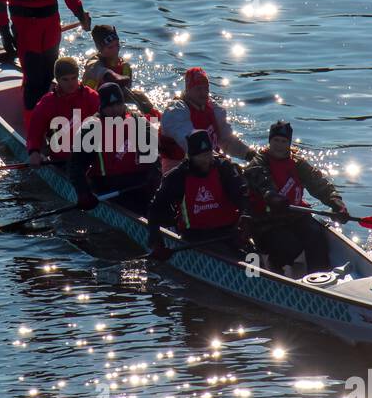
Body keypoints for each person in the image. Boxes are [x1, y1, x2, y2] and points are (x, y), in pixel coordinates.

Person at [244, 120, 350, 275]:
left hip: (294, 216)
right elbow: (264, 185)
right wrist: (273, 198)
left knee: (316, 236)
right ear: (270, 141)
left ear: (289, 143)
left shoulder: (298, 163)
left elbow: (320, 185)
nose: (279, 145)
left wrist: (336, 203)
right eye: (276, 140)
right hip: (266, 221)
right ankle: (275, 268)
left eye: (284, 141)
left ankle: (320, 277)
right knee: (289, 246)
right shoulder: (258, 163)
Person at [147, 130, 254, 261]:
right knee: (228, 254)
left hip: (228, 231)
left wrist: (246, 215)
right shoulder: (177, 177)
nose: (206, 160)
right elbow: (155, 209)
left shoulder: (224, 169)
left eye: (208, 154)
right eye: (201, 156)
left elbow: (242, 195)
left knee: (254, 253)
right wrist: (156, 241)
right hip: (196, 236)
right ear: (190, 157)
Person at [68, 82, 161, 214]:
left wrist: (154, 174)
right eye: (110, 106)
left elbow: (154, 155)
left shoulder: (138, 122)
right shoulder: (90, 128)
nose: (115, 109)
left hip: (139, 183)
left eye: (119, 104)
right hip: (107, 187)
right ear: (101, 107)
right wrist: (83, 193)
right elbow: (76, 166)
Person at [158, 66, 250, 172]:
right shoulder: (176, 112)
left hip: (211, 166)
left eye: (206, 88)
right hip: (179, 172)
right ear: (188, 90)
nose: (203, 93)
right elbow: (193, 145)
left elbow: (227, 141)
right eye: (198, 89)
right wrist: (223, 164)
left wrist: (249, 154)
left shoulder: (213, 109)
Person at [25, 56, 100, 168]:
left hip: (89, 157)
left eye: (74, 78)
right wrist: (34, 152)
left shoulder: (91, 96)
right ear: (57, 80)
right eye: (65, 79)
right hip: (61, 160)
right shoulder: (47, 103)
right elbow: (34, 132)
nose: (71, 83)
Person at [81, 24, 155, 115]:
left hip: (113, 106)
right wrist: (111, 76)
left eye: (117, 45)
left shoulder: (125, 67)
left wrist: (138, 99)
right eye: (110, 47)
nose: (115, 50)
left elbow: (123, 95)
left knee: (141, 98)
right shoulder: (94, 63)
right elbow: (97, 70)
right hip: (91, 106)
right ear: (100, 48)